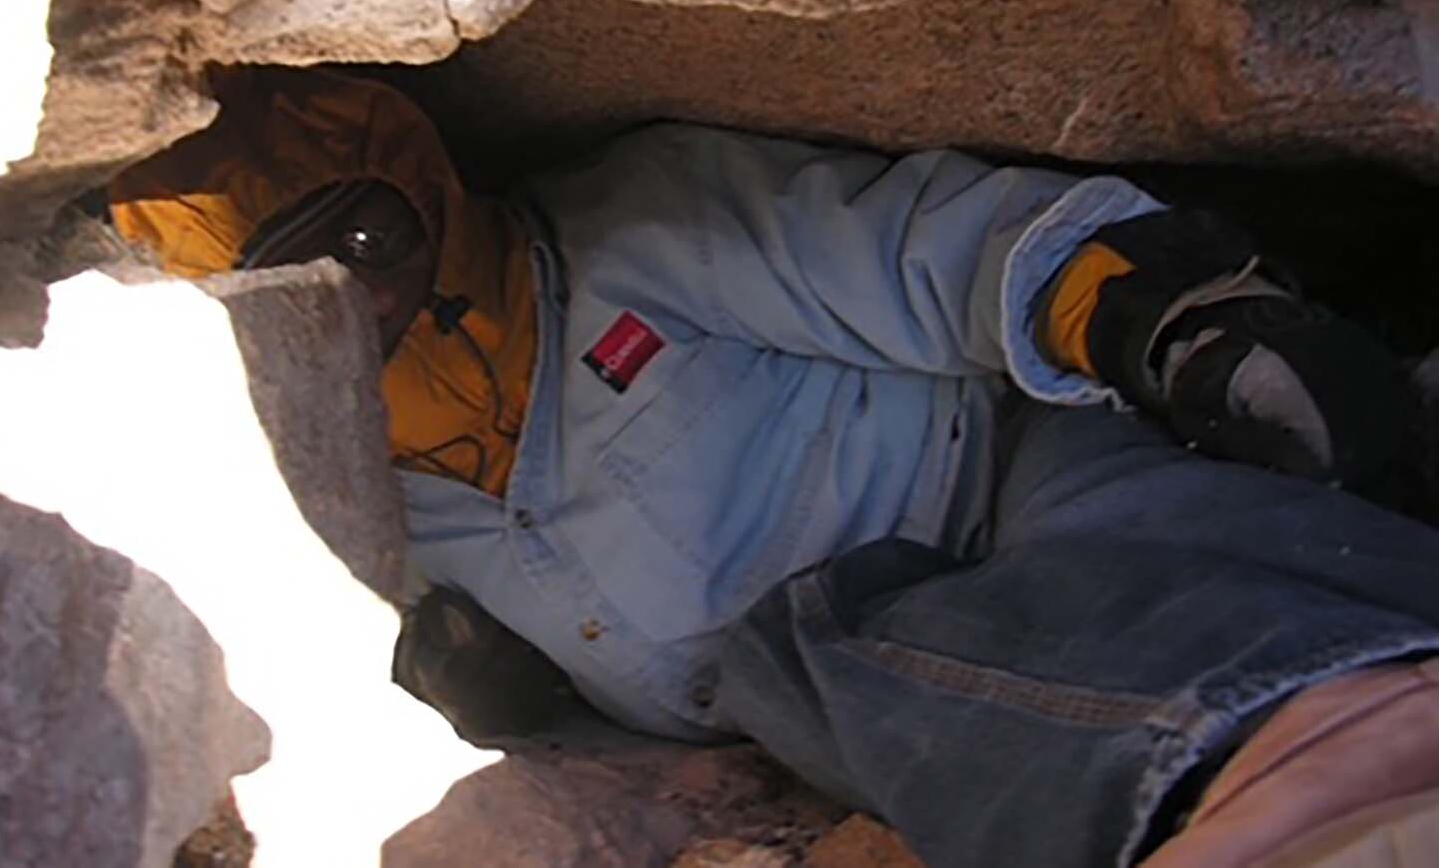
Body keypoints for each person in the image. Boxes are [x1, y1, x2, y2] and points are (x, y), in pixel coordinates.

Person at [109, 67, 1439, 867]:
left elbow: (921, 248)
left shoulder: (630, 228)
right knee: (869, 657)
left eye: (362, 235)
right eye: (294, 273)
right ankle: (1306, 751)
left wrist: (1147, 313)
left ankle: (1359, 755)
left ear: (420, 182)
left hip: (989, 465)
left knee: (1183, 529)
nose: (362, 290)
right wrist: (505, 705)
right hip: (830, 643)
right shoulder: (322, 484)